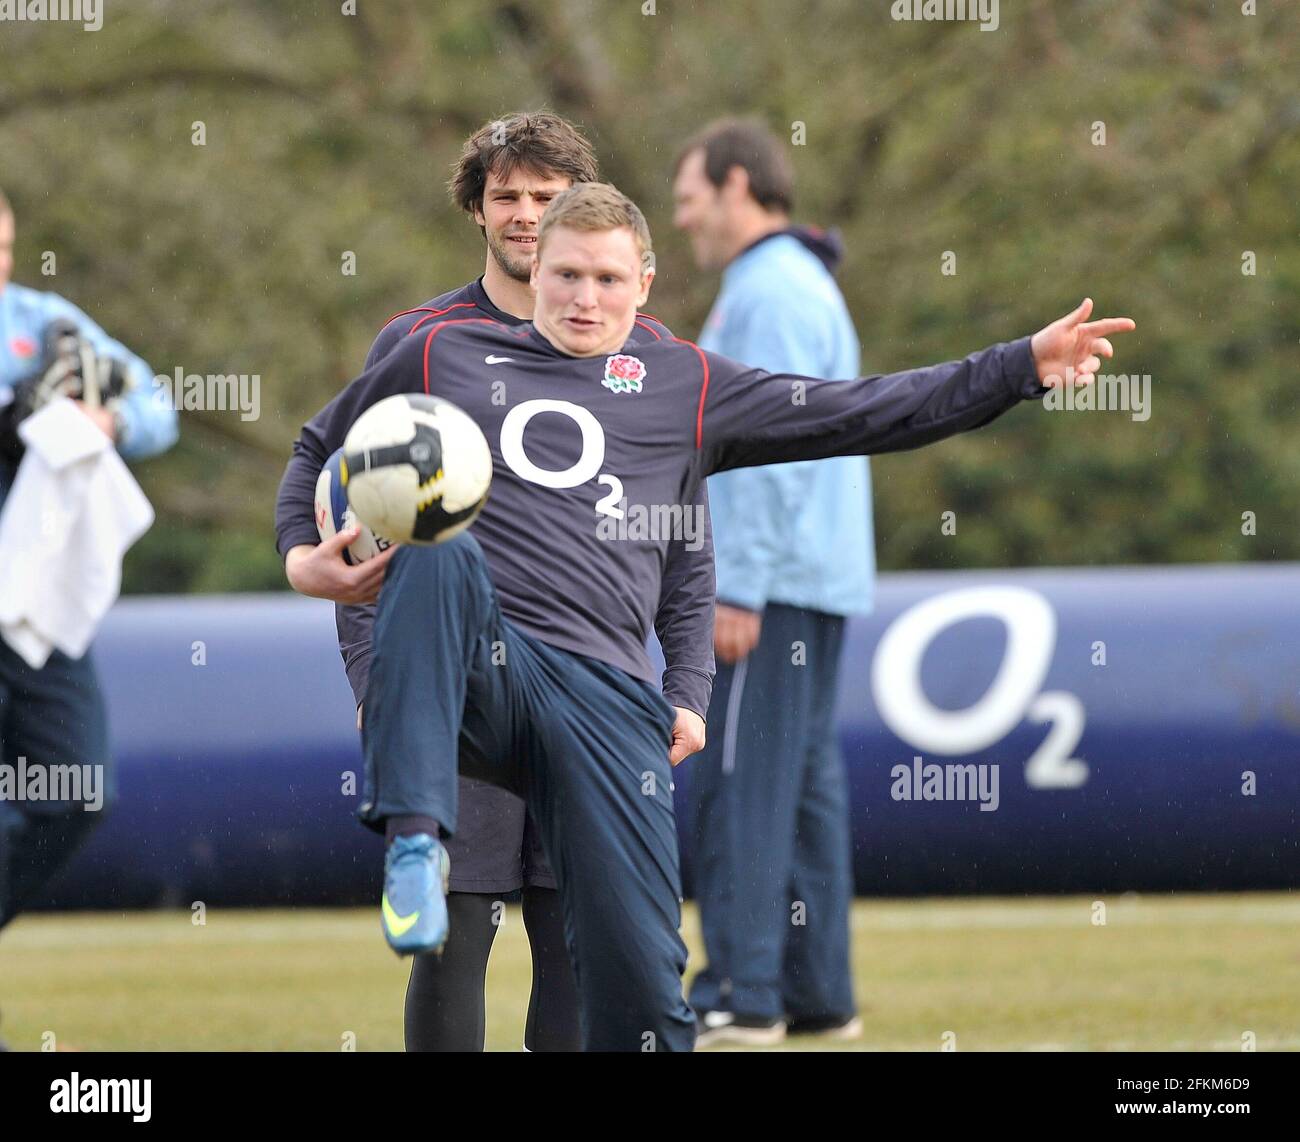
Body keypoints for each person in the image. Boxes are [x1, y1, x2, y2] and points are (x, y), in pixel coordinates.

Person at [274, 181, 1135, 1050]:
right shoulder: (439, 356)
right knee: (438, 542)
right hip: (487, 679)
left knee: (645, 1000)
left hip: (609, 706)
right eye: (567, 275)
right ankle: (415, 841)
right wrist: (302, 560)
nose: (585, 298)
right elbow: (321, 447)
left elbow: (863, 412)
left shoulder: (684, 379)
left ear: (644, 282)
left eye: (609, 279)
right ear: (534, 274)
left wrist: (1018, 367)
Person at [278, 114, 714, 1051]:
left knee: (572, 934)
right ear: (477, 207)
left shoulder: (647, 355)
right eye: (507, 195)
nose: (525, 215)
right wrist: (381, 689)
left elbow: (684, 545)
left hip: (592, 696)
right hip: (465, 695)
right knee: (456, 923)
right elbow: (353, 503)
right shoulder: (424, 342)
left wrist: (685, 687)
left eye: (546, 198)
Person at [671, 119, 871, 1046]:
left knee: (742, 777)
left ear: (739, 185)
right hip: (815, 574)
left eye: (689, 200)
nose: (684, 223)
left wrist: (737, 584)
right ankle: (815, 991)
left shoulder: (768, 292)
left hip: (773, 580)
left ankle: (742, 994)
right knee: (800, 786)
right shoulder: (797, 281)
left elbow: (775, 446)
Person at [0, 187, 178, 1044]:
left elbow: (157, 410)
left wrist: (102, 418)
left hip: (27, 602)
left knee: (77, 787)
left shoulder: (43, 318)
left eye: (1, 249)